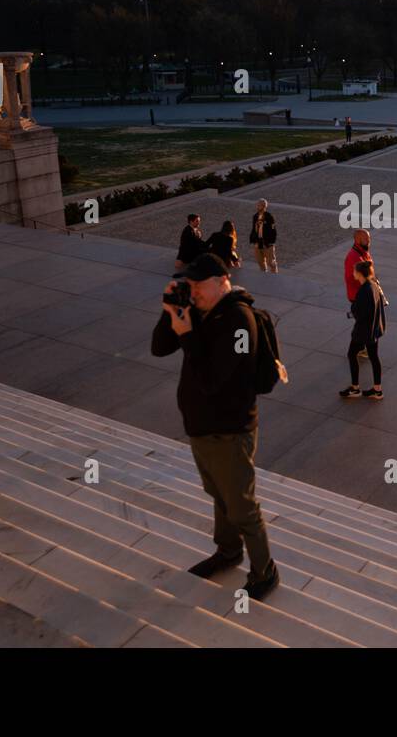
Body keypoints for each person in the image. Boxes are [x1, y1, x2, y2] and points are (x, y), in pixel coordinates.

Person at [152, 253, 279, 600]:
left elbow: (212, 382)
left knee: (241, 506)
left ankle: (265, 572)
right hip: (202, 428)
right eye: (187, 285)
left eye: (197, 285)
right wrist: (171, 312)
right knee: (219, 494)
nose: (192, 292)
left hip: (230, 430)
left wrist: (188, 334)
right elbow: (159, 347)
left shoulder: (239, 321)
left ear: (223, 281)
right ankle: (228, 552)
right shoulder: (201, 310)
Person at [339, 260, 386, 401]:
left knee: (351, 354)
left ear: (359, 274)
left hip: (364, 331)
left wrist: (353, 310)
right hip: (374, 330)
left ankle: (355, 388)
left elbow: (359, 312)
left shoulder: (364, 290)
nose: (353, 273)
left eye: (354, 271)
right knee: (374, 357)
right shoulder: (373, 285)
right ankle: (377, 390)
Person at [248, 199, 278, 273]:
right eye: (257, 205)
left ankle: (274, 276)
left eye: (259, 205)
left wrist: (271, 242)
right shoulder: (255, 216)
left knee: (270, 262)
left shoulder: (269, 217)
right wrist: (253, 241)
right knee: (260, 262)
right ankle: (263, 276)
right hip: (258, 243)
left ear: (264, 206)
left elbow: (273, 231)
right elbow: (253, 229)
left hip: (268, 244)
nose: (257, 207)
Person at [344, 229, 372, 308]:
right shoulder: (354, 257)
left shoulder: (364, 252)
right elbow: (351, 279)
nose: (369, 241)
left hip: (364, 294)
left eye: (369, 238)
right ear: (357, 240)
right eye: (366, 239)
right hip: (359, 296)